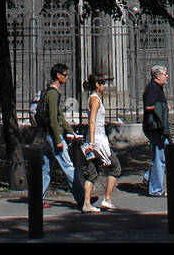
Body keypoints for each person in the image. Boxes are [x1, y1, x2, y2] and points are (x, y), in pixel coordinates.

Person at [41, 63, 84, 207]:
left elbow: (59, 117)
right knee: (68, 167)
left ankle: (37, 199)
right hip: (54, 136)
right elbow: (54, 119)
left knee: (46, 168)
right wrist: (58, 139)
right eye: (65, 75)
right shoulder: (53, 94)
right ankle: (84, 198)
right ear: (58, 76)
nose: (67, 77)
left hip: (49, 135)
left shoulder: (53, 93)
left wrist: (71, 131)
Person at [81, 73, 121, 212]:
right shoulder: (95, 99)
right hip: (98, 140)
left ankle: (86, 203)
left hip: (93, 139)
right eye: (102, 83)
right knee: (115, 167)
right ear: (97, 85)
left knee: (93, 171)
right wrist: (92, 141)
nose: (104, 86)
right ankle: (107, 198)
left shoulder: (92, 98)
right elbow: (92, 120)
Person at [142, 64, 170, 196]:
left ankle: (149, 177)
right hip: (154, 128)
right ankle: (155, 189)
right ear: (158, 76)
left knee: (165, 154)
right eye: (165, 74)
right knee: (159, 157)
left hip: (158, 128)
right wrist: (162, 107)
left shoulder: (157, 87)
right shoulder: (153, 88)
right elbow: (148, 106)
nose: (167, 76)